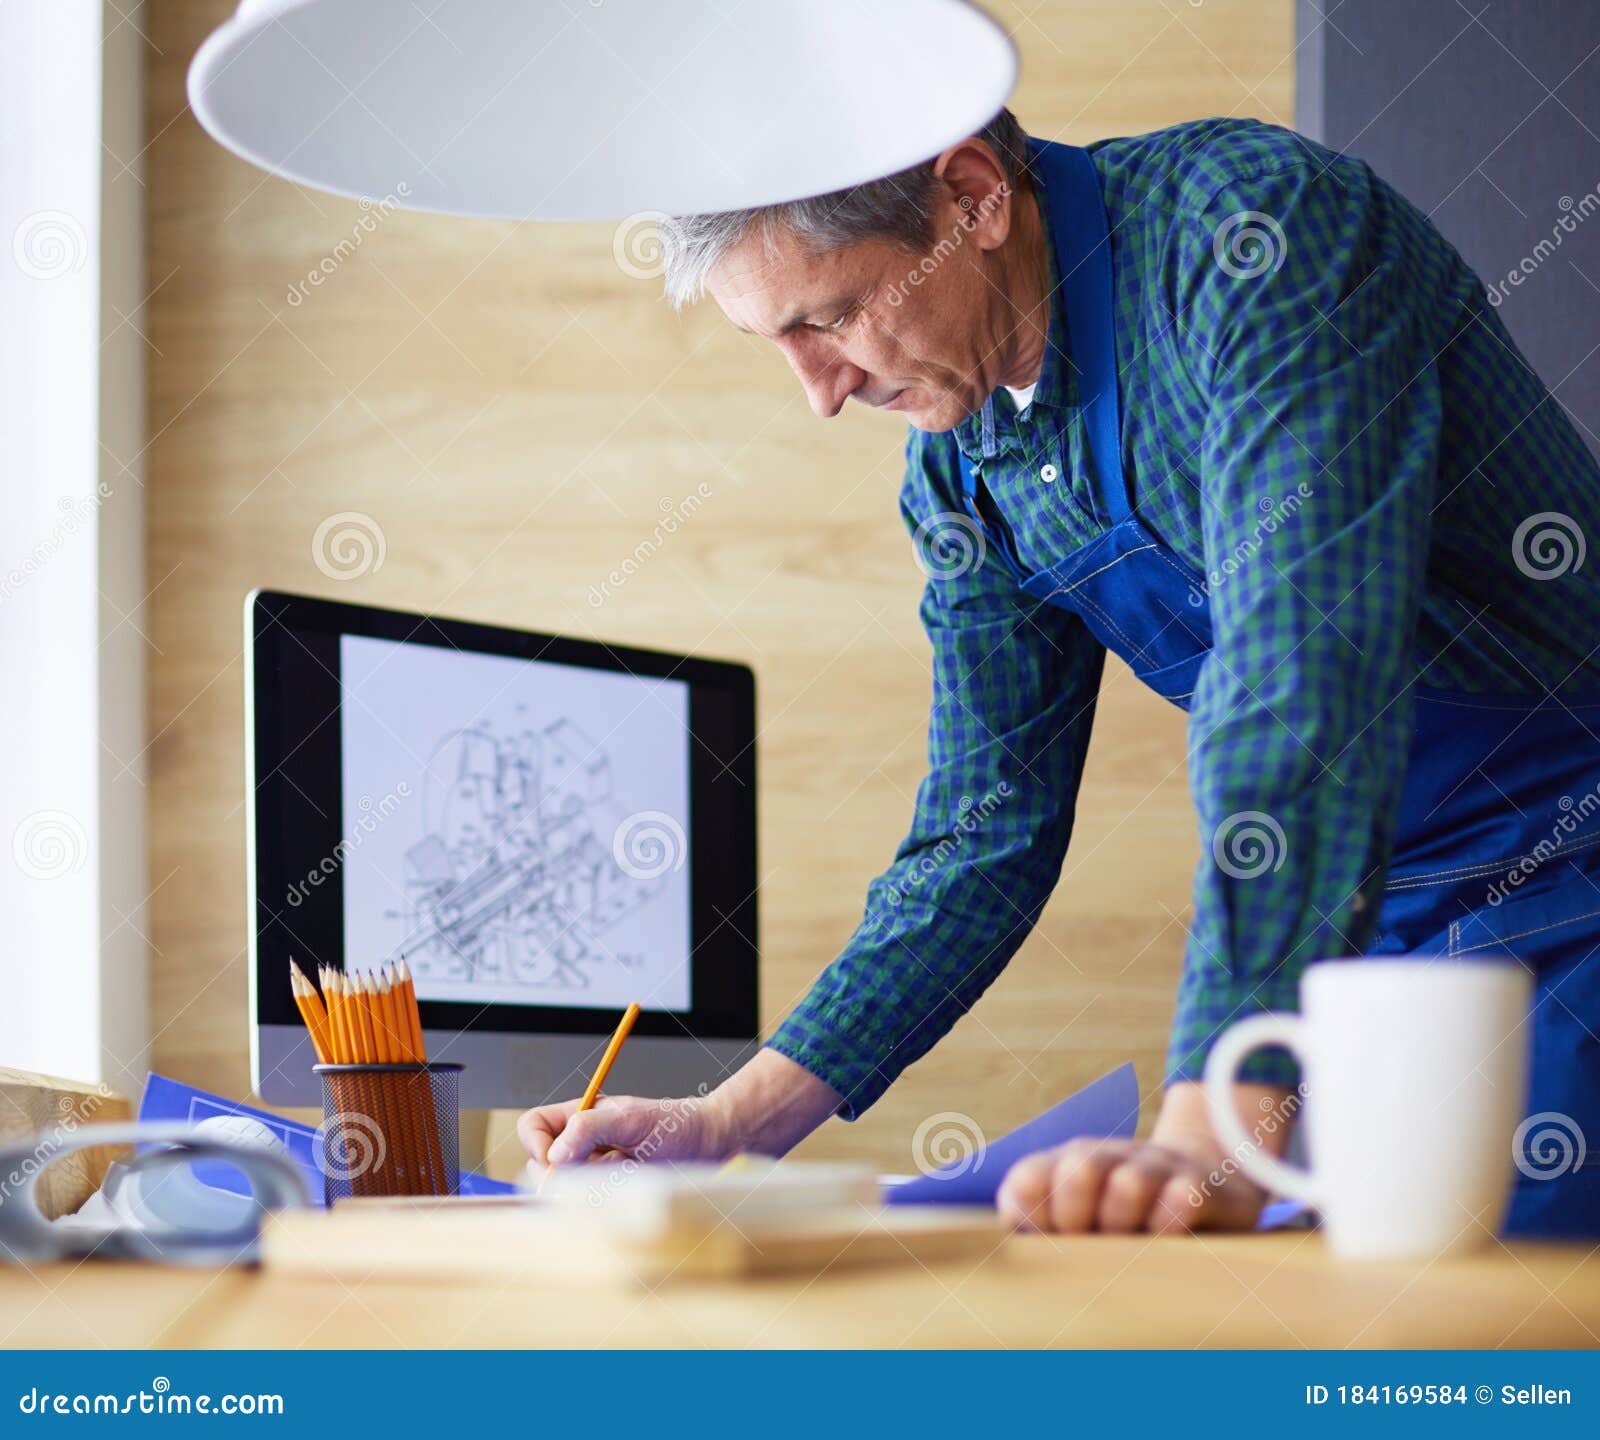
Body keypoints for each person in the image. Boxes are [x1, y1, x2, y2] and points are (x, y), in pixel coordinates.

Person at [520, 112, 1600, 1237]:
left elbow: (1303, 678)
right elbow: (981, 837)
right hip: (1344, 953)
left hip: (1569, 870)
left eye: (831, 317)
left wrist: (1205, 1137)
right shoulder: (962, 470)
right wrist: (724, 1123)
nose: (819, 392)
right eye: (777, 343)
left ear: (975, 199)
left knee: (1486, 1330)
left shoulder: (1253, 234)